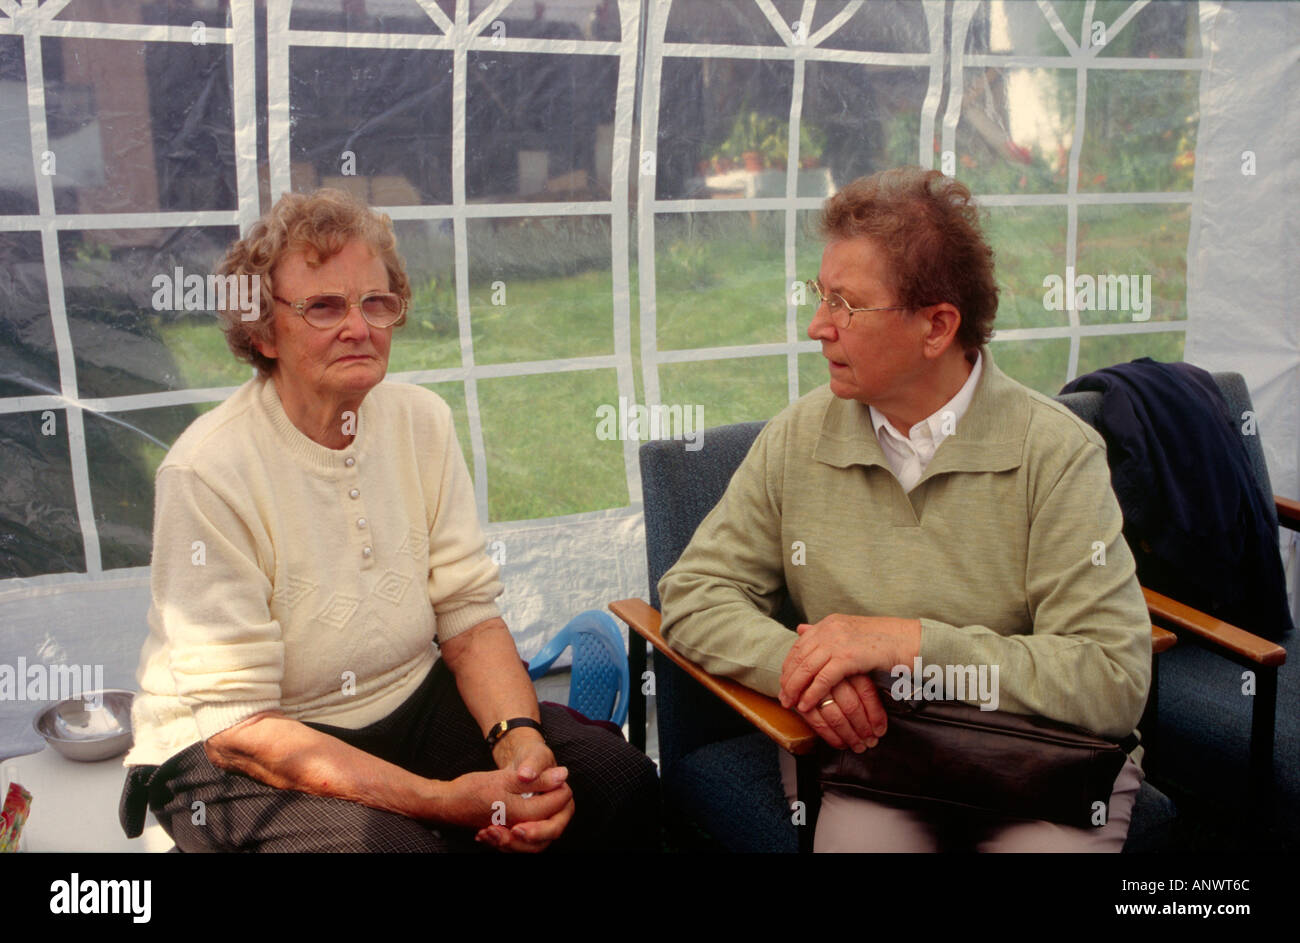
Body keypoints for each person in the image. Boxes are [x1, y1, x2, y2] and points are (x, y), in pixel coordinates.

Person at [118, 188, 659, 852]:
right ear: (261, 330)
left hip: (405, 698)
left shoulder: (420, 421)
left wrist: (522, 747)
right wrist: (445, 802)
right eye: (323, 306)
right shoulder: (207, 471)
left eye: (376, 301)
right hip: (237, 744)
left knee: (613, 779)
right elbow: (242, 727)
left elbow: (467, 618)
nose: (360, 326)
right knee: (400, 848)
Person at [658, 167, 1151, 852]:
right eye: (818, 296)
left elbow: (1111, 678)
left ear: (936, 326)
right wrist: (801, 669)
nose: (816, 326)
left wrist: (912, 642)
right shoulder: (800, 437)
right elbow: (693, 592)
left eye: (846, 305)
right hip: (877, 757)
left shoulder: (1057, 453)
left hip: (1039, 764)